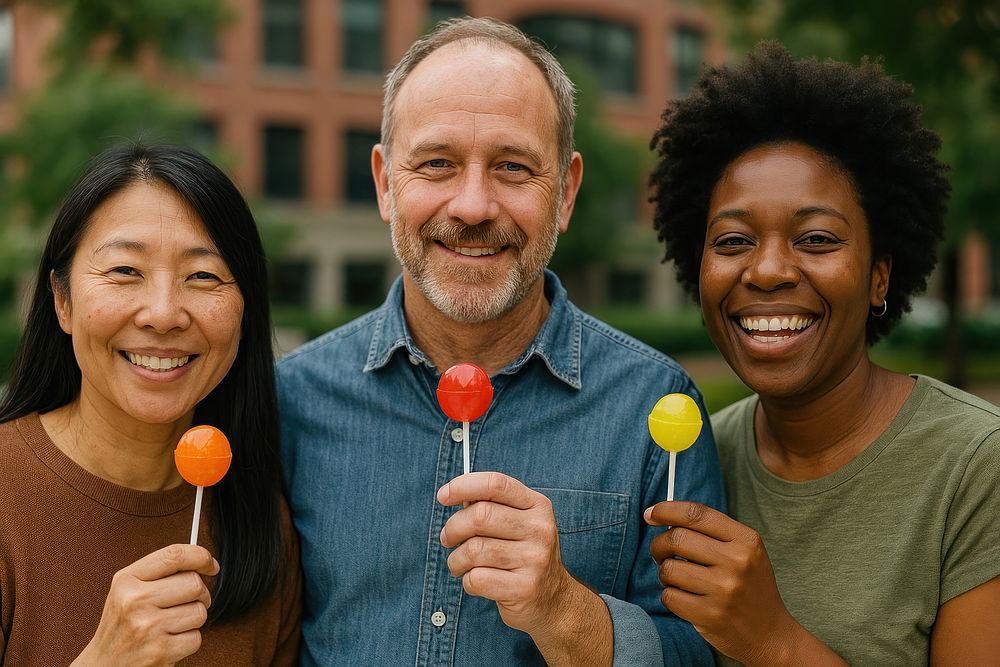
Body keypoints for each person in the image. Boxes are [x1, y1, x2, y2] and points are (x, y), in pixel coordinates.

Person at [277, 16, 725, 666]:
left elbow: (700, 653)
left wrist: (564, 607)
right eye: (437, 164)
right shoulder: (293, 399)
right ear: (383, 184)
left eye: (513, 168)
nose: (473, 205)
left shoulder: (655, 410)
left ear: (565, 193)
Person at [645, 42, 1000, 664]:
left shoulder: (976, 468)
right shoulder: (695, 457)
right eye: (732, 240)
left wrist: (770, 639)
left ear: (880, 277)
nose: (769, 270)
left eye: (815, 239)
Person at [0, 144, 301, 664]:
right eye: (124, 270)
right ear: (62, 301)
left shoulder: (262, 522)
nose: (163, 314)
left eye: (203, 276)